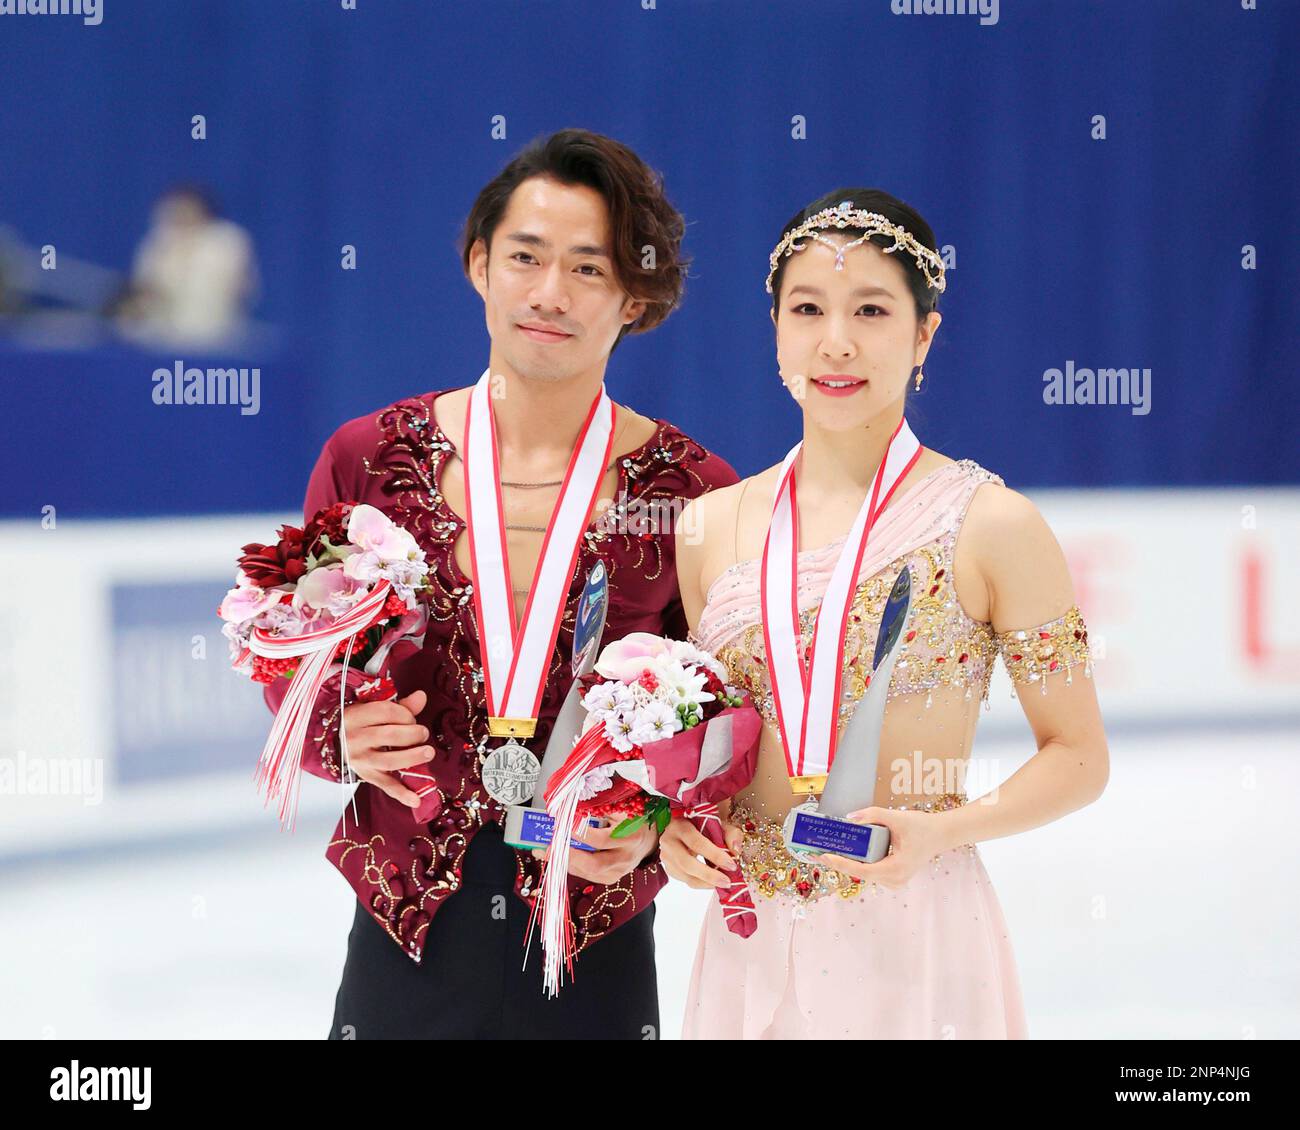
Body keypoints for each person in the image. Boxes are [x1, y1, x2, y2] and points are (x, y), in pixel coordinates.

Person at [263, 129, 737, 1039]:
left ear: (636, 298)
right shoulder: (371, 462)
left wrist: (653, 823)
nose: (549, 293)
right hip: (404, 929)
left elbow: (727, 714)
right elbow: (294, 659)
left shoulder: (693, 494)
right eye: (525, 256)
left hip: (591, 931)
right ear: (480, 265)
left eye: (589, 269)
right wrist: (339, 731)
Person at [661, 188, 1110, 1039]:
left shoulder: (990, 524)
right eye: (808, 309)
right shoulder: (708, 527)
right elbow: (719, 749)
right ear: (777, 331)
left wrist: (947, 832)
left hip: (918, 930)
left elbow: (1080, 757)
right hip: (749, 939)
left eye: (871, 308)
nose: (836, 340)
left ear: (923, 334)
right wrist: (679, 830)